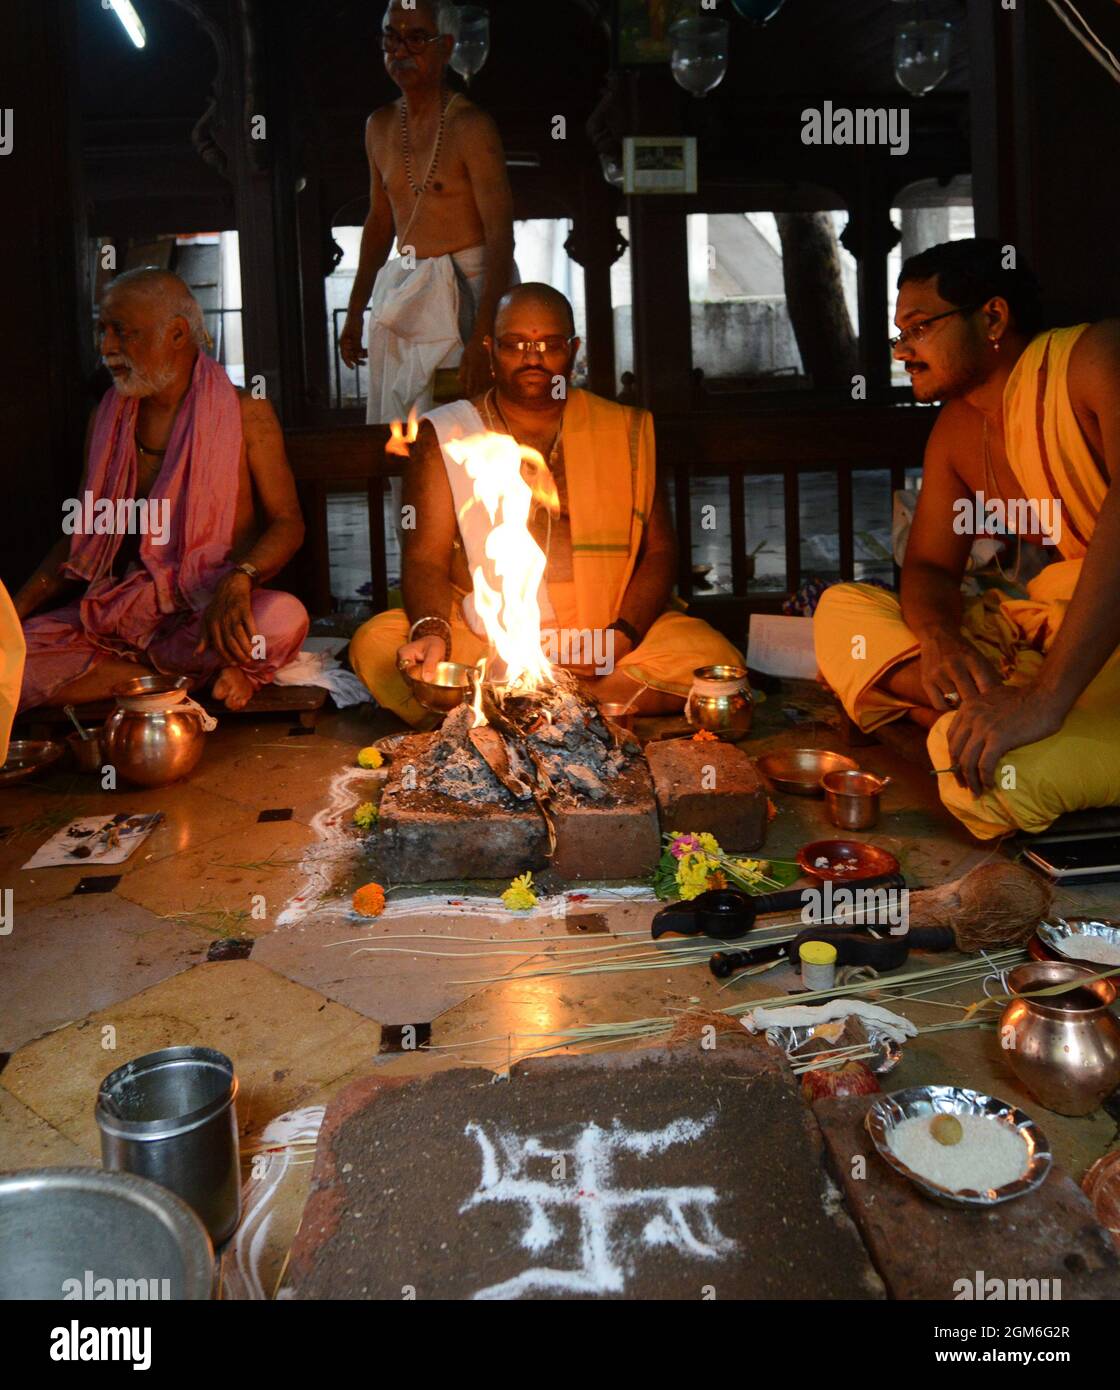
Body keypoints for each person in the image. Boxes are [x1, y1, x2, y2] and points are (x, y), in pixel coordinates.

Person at [814, 239, 1120, 839]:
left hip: (1101, 640)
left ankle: (988, 716)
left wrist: (1043, 699)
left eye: (920, 327)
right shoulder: (957, 430)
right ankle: (980, 703)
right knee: (842, 611)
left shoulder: (1095, 360)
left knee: (994, 773)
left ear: (994, 317)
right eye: (900, 333)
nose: (903, 350)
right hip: (1055, 630)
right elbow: (928, 565)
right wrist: (941, 639)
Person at [349, 283, 743, 726]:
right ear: (490, 349)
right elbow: (424, 557)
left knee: (715, 658)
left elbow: (660, 551)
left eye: (549, 345)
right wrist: (432, 630)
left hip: (603, 635)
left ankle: (512, 708)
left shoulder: (624, 430)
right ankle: (583, 708)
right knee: (376, 644)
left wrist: (623, 636)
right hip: (487, 636)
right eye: (515, 344)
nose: (532, 358)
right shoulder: (449, 434)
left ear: (573, 349)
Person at [15, 268, 309, 714]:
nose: (107, 348)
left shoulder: (246, 412)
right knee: (8, 662)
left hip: (208, 612)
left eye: (123, 332)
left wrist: (241, 577)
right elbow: (80, 536)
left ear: (176, 333)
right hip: (119, 619)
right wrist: (12, 614)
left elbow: (288, 522)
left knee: (283, 618)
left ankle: (143, 684)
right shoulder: (106, 420)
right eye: (103, 332)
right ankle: (162, 683)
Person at [338, 0, 515, 422]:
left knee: (464, 429)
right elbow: (380, 223)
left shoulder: (471, 126)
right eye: (391, 37)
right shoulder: (378, 126)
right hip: (407, 288)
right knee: (403, 430)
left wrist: (484, 336)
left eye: (416, 37)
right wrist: (354, 311)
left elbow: (501, 234)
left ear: (446, 46)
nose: (400, 50)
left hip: (469, 295)